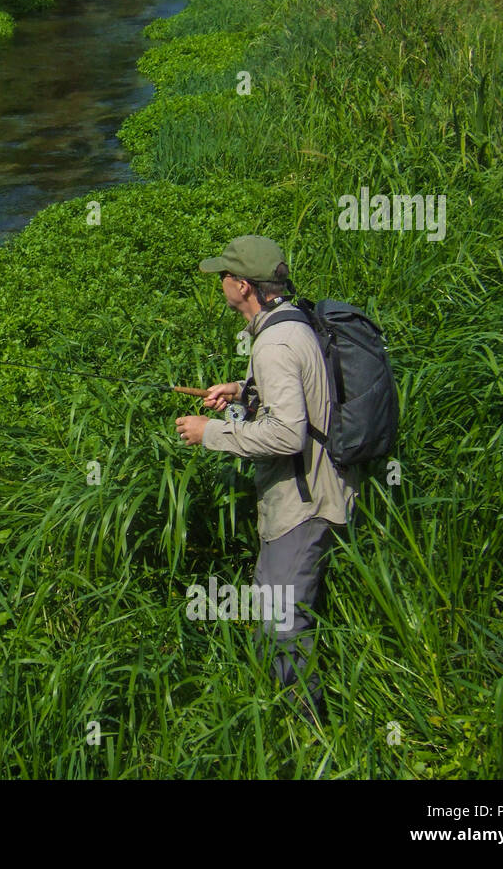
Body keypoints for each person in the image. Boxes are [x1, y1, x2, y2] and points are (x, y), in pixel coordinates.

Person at [174, 235, 359, 723]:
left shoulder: (274, 342)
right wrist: (239, 390)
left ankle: (309, 732)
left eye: (224, 277)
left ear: (242, 286)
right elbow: (298, 386)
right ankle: (276, 709)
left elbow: (285, 435)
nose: (220, 284)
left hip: (303, 502)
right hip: (316, 489)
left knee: (282, 617)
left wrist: (210, 432)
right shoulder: (291, 321)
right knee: (270, 598)